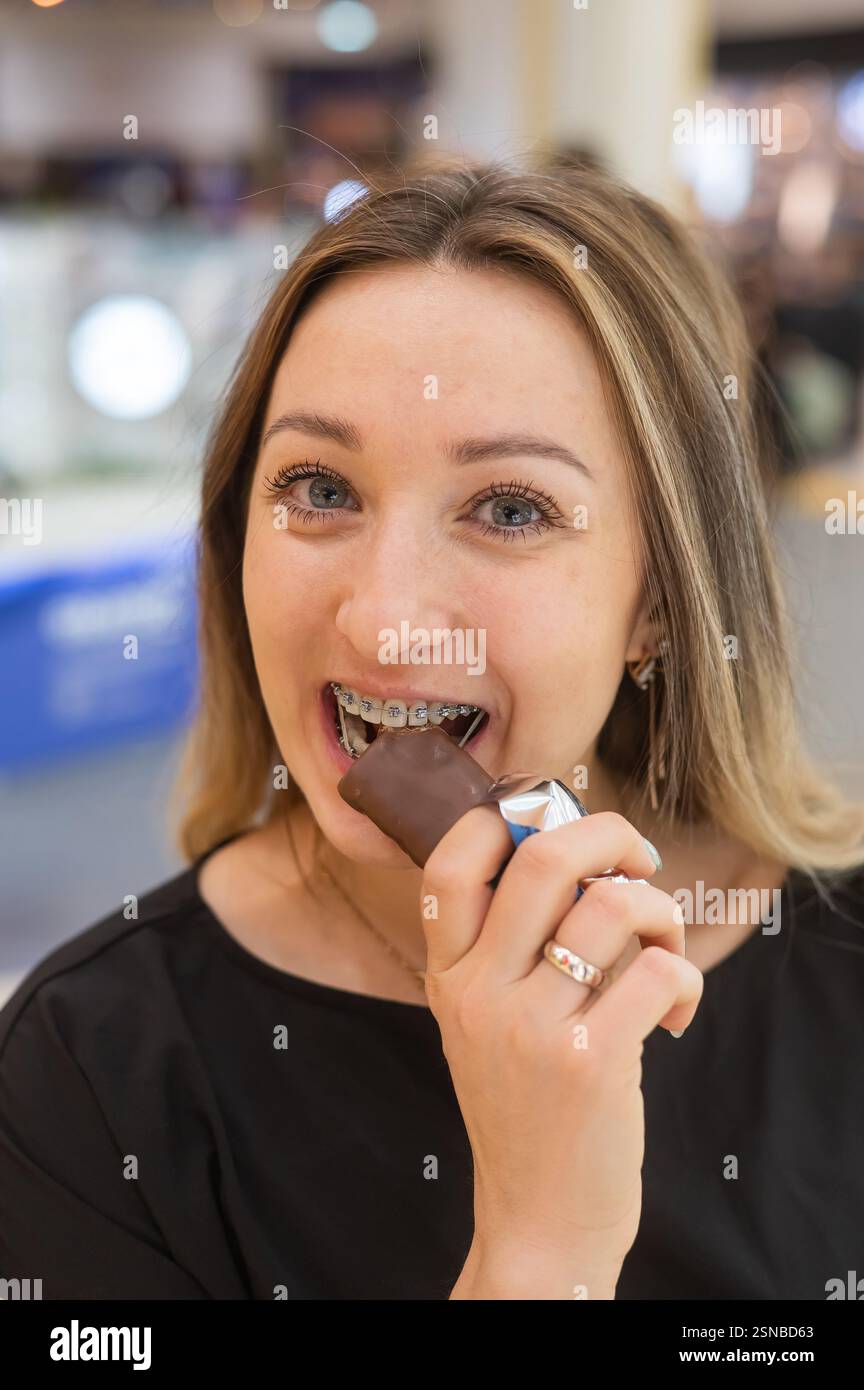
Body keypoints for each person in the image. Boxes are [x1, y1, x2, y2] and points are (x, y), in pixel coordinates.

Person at [2, 159, 863, 1301]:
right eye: (319, 488)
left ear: (658, 600)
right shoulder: (87, 1072)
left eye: (509, 508)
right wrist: (540, 1250)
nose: (386, 615)